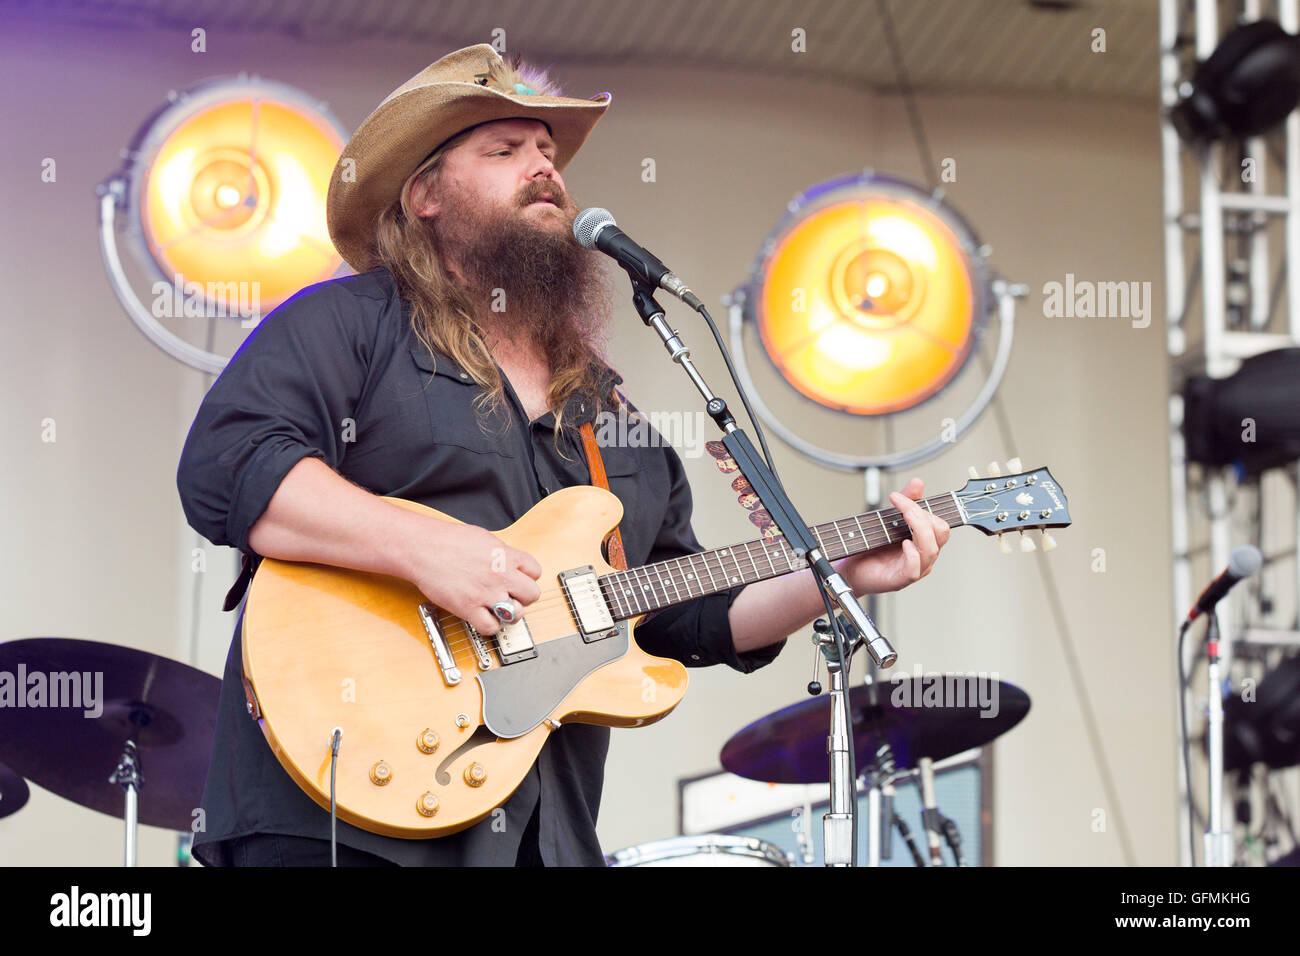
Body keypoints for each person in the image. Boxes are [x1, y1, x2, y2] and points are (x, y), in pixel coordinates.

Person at [177, 44, 951, 867]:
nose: (543, 167)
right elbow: (227, 463)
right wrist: (426, 549)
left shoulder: (605, 413)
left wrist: (832, 574)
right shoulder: (350, 323)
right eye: (504, 151)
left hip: (540, 831)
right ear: (426, 195)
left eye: (547, 151)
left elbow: (678, 615)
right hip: (337, 814)